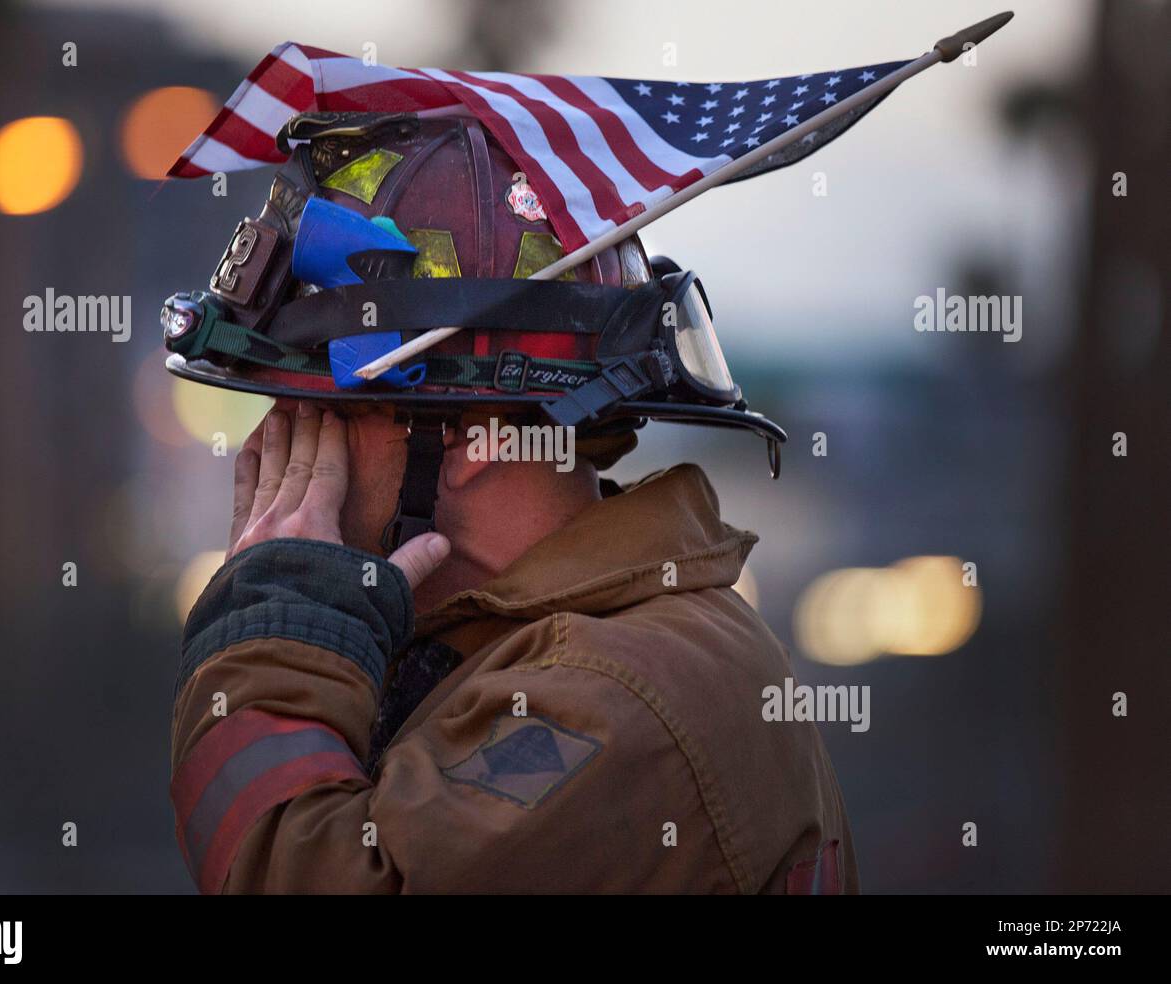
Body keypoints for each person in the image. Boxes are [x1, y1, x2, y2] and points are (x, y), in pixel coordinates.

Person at [164, 109, 857, 894]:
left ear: (472, 441)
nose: (275, 441)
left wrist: (276, 630)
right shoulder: (518, 639)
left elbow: (311, 877)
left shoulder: (611, 698)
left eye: (329, 407)